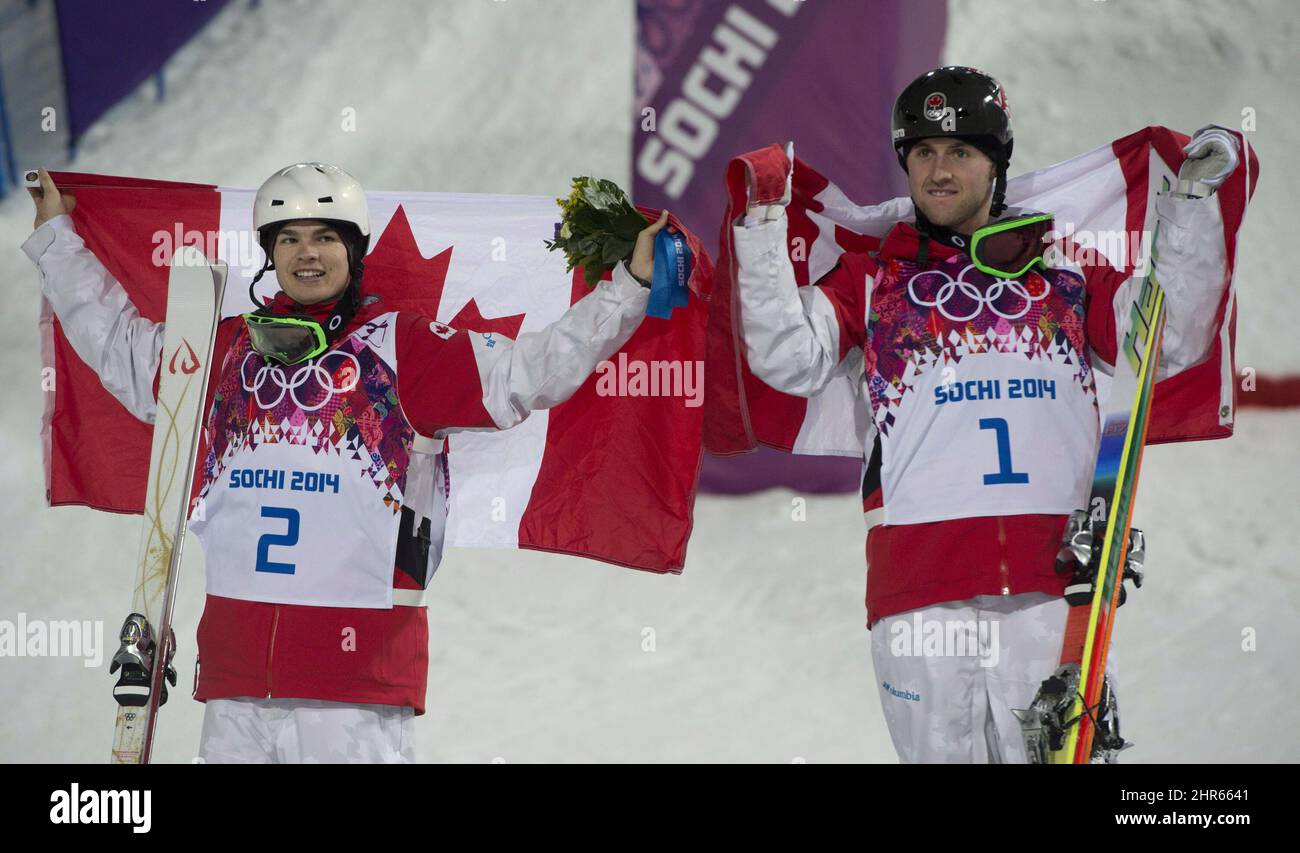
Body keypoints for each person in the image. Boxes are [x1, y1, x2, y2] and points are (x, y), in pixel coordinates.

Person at [25, 162, 668, 763]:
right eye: (290, 238)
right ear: (270, 254)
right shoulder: (223, 352)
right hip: (235, 682)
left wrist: (630, 287)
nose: (307, 253)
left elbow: (533, 370)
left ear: (354, 251)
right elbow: (122, 349)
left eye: (326, 237)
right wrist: (58, 240)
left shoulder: (404, 348)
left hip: (356, 689)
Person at [733, 67, 1242, 762]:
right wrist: (761, 222)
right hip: (919, 598)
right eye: (923, 153)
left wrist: (1188, 202)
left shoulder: (1063, 271)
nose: (939, 170)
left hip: (1052, 592)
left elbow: (1167, 337)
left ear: (997, 163)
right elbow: (788, 359)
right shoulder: (872, 277)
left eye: (961, 152)